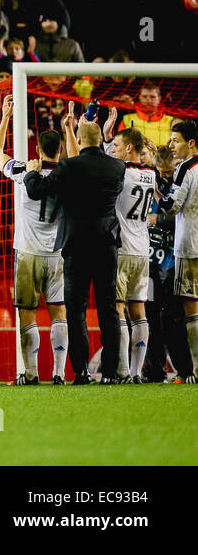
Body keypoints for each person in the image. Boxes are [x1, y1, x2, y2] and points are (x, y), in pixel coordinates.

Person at [23, 117, 126, 384]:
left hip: (76, 246)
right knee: (108, 309)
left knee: (76, 310)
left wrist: (32, 171)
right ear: (99, 141)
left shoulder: (69, 166)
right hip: (107, 245)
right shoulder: (117, 166)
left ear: (79, 141)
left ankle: (80, 372)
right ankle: (110, 374)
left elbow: (37, 191)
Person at [0, 96, 69, 384]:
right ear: (59, 150)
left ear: (37, 149)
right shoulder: (69, 176)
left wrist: (5, 118)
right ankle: (59, 373)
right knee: (59, 311)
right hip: (58, 253)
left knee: (27, 313)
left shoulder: (24, 171)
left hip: (27, 252)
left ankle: (31, 374)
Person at [107, 127, 156, 383]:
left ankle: (124, 370)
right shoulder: (151, 174)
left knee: (118, 308)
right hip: (142, 250)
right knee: (139, 310)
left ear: (128, 148)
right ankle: (137, 373)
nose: (113, 148)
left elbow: (104, 163)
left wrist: (103, 139)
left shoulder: (120, 172)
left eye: (116, 144)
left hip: (122, 249)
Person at [159, 120, 198, 383]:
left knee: (190, 310)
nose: (171, 145)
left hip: (190, 246)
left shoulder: (185, 167)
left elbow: (171, 206)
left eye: (176, 140)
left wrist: (156, 191)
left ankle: (195, 369)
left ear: (191, 143)